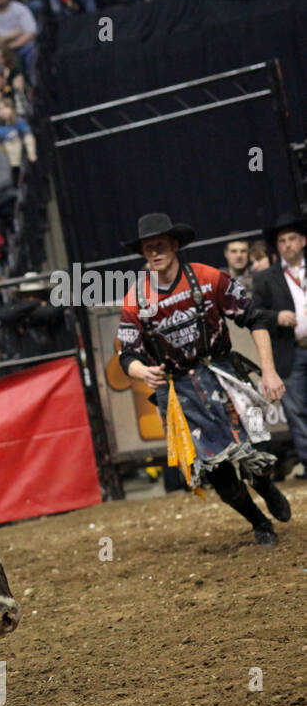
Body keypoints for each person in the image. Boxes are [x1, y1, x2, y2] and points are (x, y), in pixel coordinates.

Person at [117, 213, 289, 546]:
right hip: (180, 393)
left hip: (224, 375)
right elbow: (127, 356)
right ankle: (258, 521)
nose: (154, 252)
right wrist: (143, 371)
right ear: (142, 253)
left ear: (175, 245)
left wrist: (268, 370)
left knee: (259, 450)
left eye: (160, 245)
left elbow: (254, 318)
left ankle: (266, 486)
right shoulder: (135, 301)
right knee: (219, 476)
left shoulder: (209, 278)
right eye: (148, 247)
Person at [251, 213, 307, 478]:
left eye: (292, 238)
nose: (287, 244)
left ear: (303, 240)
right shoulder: (265, 278)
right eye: (282, 240)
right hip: (291, 350)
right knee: (296, 411)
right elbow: (255, 315)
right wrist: (277, 317)